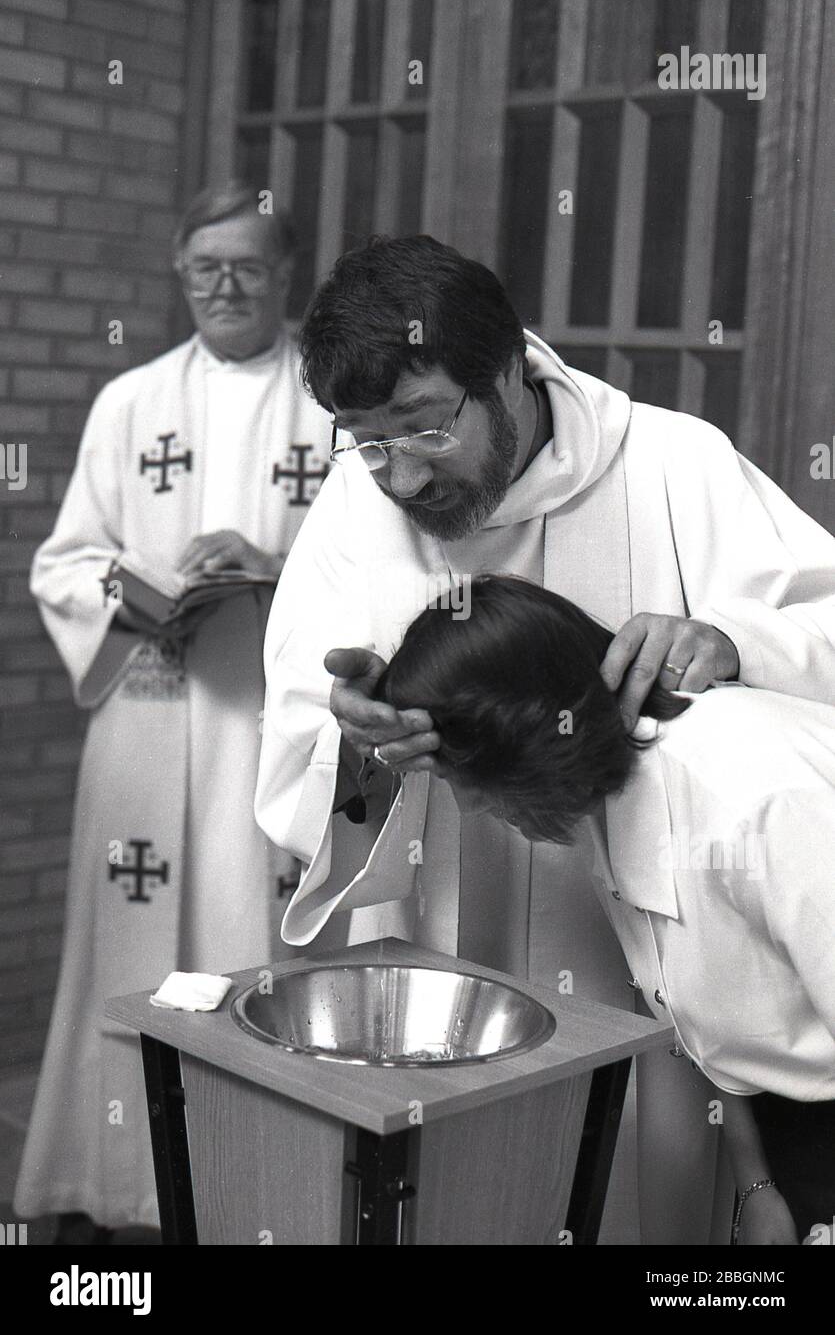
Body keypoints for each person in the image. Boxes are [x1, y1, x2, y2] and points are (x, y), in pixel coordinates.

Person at [254, 234, 835, 1244]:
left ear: (507, 372)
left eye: (424, 427)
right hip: (449, 952)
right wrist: (360, 750)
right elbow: (303, 721)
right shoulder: (355, 501)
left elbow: (818, 631)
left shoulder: (672, 462)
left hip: (676, 982)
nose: (399, 478)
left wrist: (736, 640)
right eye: (367, 441)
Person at [14, 181, 331, 1243]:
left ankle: (250, 1199)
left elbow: (381, 570)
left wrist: (270, 564)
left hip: (264, 725)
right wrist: (142, 591)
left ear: (284, 275)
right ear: (181, 275)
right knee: (128, 952)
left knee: (250, 942)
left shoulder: (330, 403)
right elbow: (64, 564)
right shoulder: (130, 400)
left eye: (247, 266)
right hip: (146, 719)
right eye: (205, 268)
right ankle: (116, 1187)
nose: (225, 286)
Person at [378, 573, 835, 1246]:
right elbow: (710, 1022)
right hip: (790, 1131)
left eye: (459, 776)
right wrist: (758, 1185)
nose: (468, 806)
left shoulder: (755, 802)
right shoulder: (618, 796)